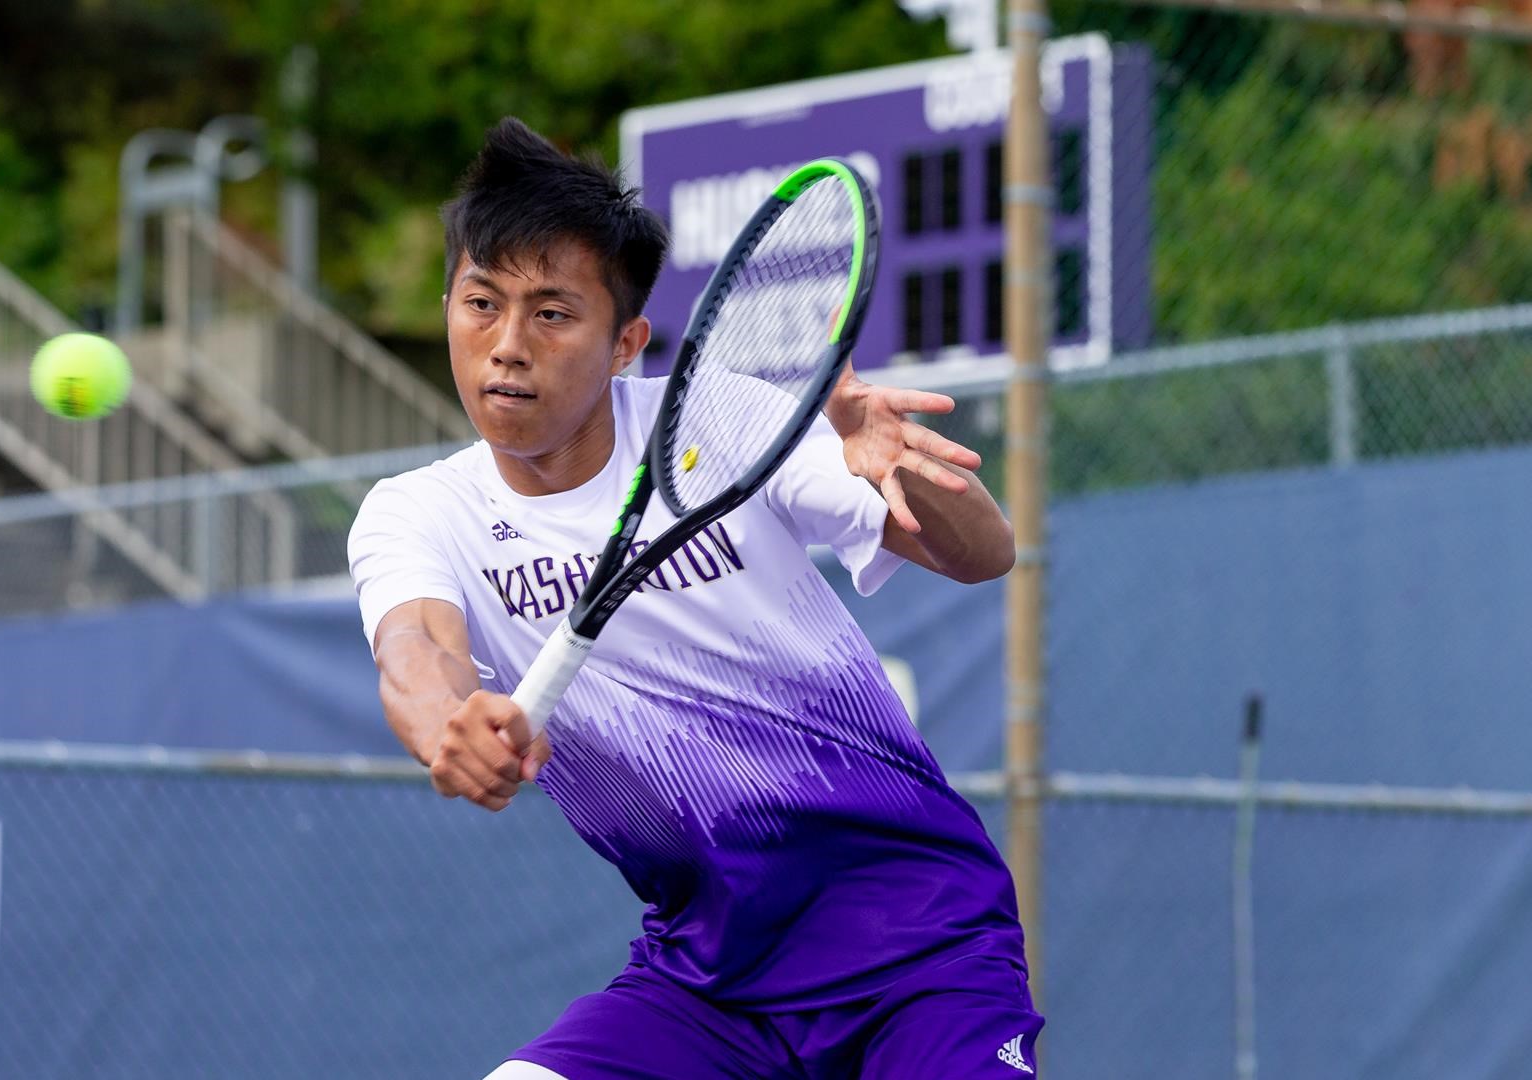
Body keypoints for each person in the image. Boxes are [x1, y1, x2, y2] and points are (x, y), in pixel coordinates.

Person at [348, 118, 1042, 1080]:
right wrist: (448, 725)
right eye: (481, 303)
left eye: (552, 313)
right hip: (709, 984)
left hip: (917, 942)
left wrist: (905, 472)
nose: (506, 345)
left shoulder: (719, 420)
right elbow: (413, 646)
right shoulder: (415, 512)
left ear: (626, 341)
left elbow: (983, 554)